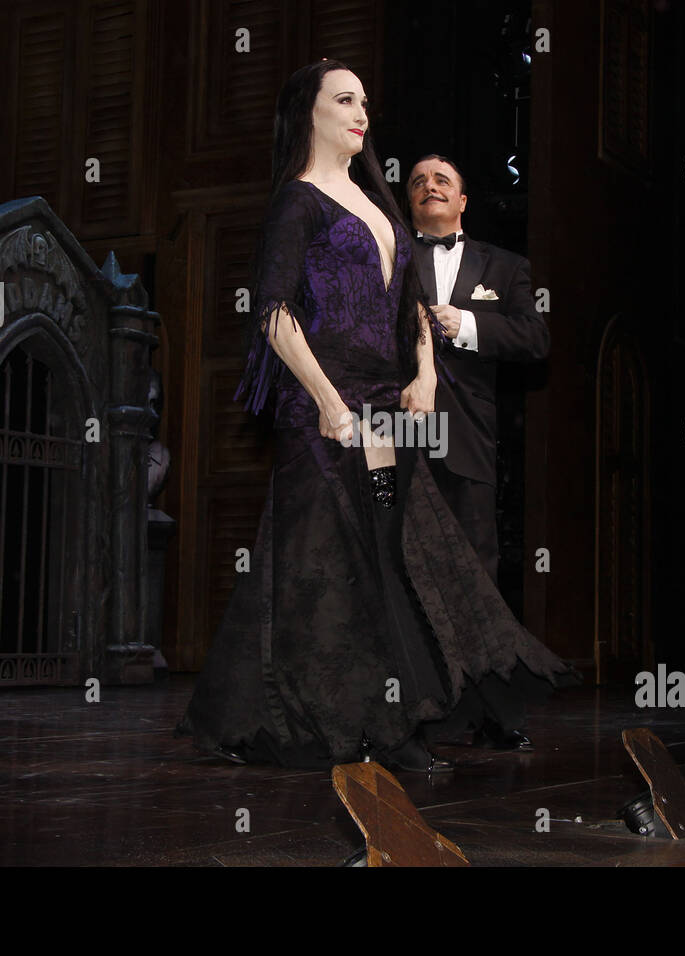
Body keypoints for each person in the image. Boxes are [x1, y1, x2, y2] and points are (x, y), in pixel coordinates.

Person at [175, 60, 576, 774]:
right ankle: (365, 726)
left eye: (365, 100)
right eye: (345, 99)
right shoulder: (298, 201)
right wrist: (328, 403)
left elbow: (412, 307)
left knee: (382, 552)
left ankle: (353, 717)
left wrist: (422, 375)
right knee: (326, 562)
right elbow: (272, 312)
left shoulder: (376, 204)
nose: (362, 112)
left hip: (385, 414)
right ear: (310, 113)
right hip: (322, 413)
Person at [406, 155, 550, 585]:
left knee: (472, 568)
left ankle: (478, 654)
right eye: (417, 181)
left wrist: (468, 324)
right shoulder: (388, 259)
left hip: (469, 438)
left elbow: (535, 339)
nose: (429, 185)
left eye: (441, 179)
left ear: (463, 200)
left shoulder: (505, 266)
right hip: (395, 433)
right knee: (397, 559)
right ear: (410, 200)